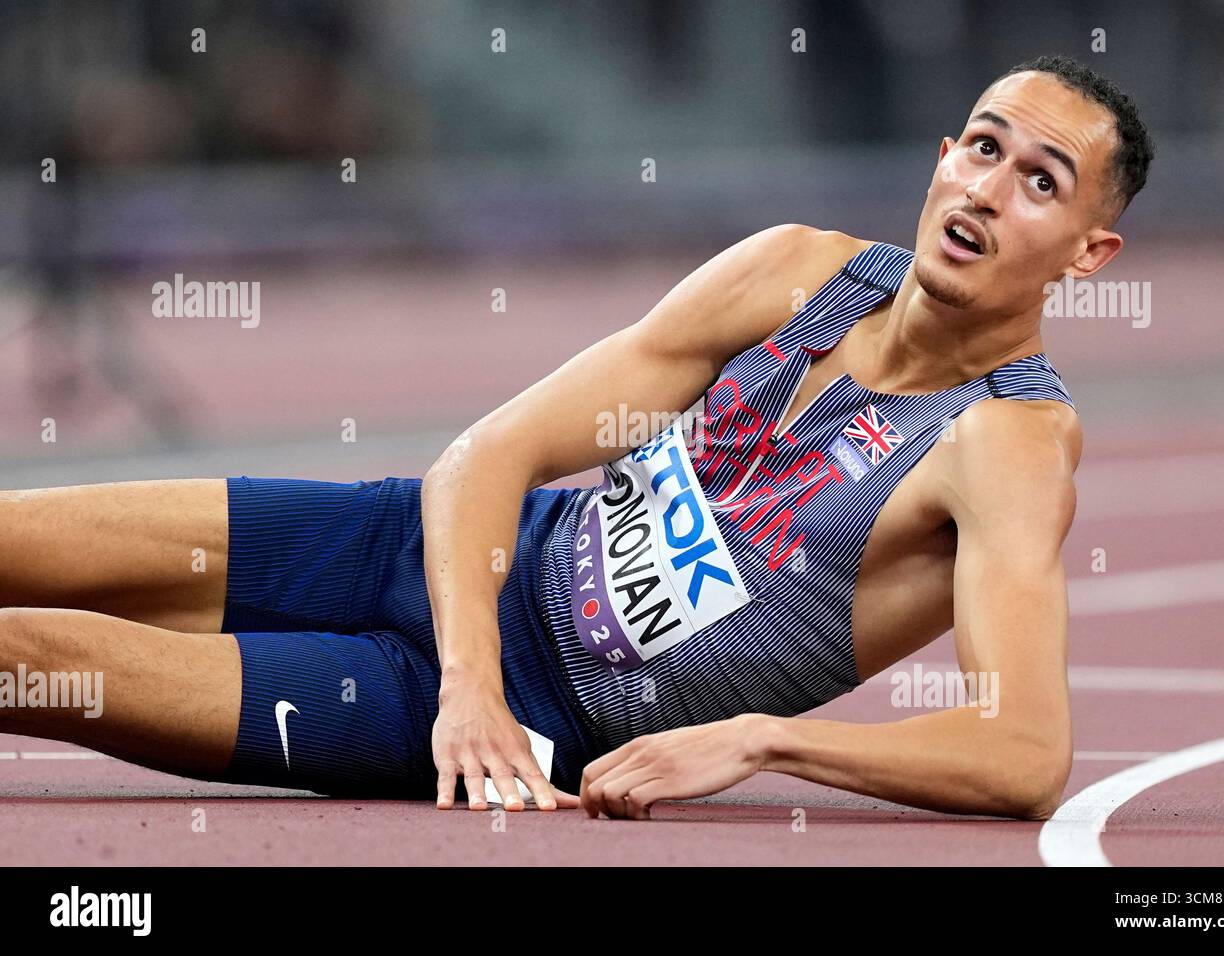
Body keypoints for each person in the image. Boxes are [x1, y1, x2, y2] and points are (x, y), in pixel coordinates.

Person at [0, 54, 1153, 821]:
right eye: (984, 148)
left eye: (1040, 182)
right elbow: (489, 453)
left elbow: (1023, 751)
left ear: (1088, 253)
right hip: (428, 554)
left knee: (26, 657)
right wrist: (471, 676)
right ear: (944, 154)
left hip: (521, 710)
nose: (989, 190)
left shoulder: (1004, 440)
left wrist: (764, 742)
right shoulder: (799, 271)